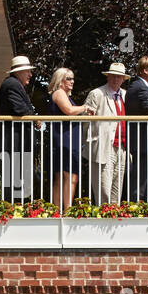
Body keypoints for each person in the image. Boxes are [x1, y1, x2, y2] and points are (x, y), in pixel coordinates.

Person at [83, 63, 131, 203]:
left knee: (117, 187)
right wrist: (93, 141)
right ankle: (103, 218)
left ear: (123, 79)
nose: (116, 79)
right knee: (103, 188)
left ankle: (114, 217)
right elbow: (85, 121)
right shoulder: (97, 93)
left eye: (119, 77)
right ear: (108, 77)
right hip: (103, 147)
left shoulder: (125, 95)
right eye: (113, 76)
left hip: (122, 147)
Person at [46, 67, 93, 210]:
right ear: (60, 80)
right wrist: (85, 107)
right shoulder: (59, 93)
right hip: (64, 141)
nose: (72, 81)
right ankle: (66, 210)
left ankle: (60, 210)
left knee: (65, 176)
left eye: (73, 78)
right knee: (69, 177)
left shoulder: (64, 95)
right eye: (69, 78)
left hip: (68, 140)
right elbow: (69, 111)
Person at [0, 55, 39, 199]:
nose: (30, 75)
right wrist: (34, 118)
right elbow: (19, 109)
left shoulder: (13, 84)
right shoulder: (12, 84)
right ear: (19, 71)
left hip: (15, 141)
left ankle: (13, 207)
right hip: (12, 142)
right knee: (12, 175)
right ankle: (11, 209)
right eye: (28, 71)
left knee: (16, 176)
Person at [123, 55, 148, 200]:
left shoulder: (139, 86)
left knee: (145, 172)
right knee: (142, 174)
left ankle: (142, 201)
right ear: (145, 70)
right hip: (142, 138)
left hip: (143, 138)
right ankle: (139, 203)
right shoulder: (140, 87)